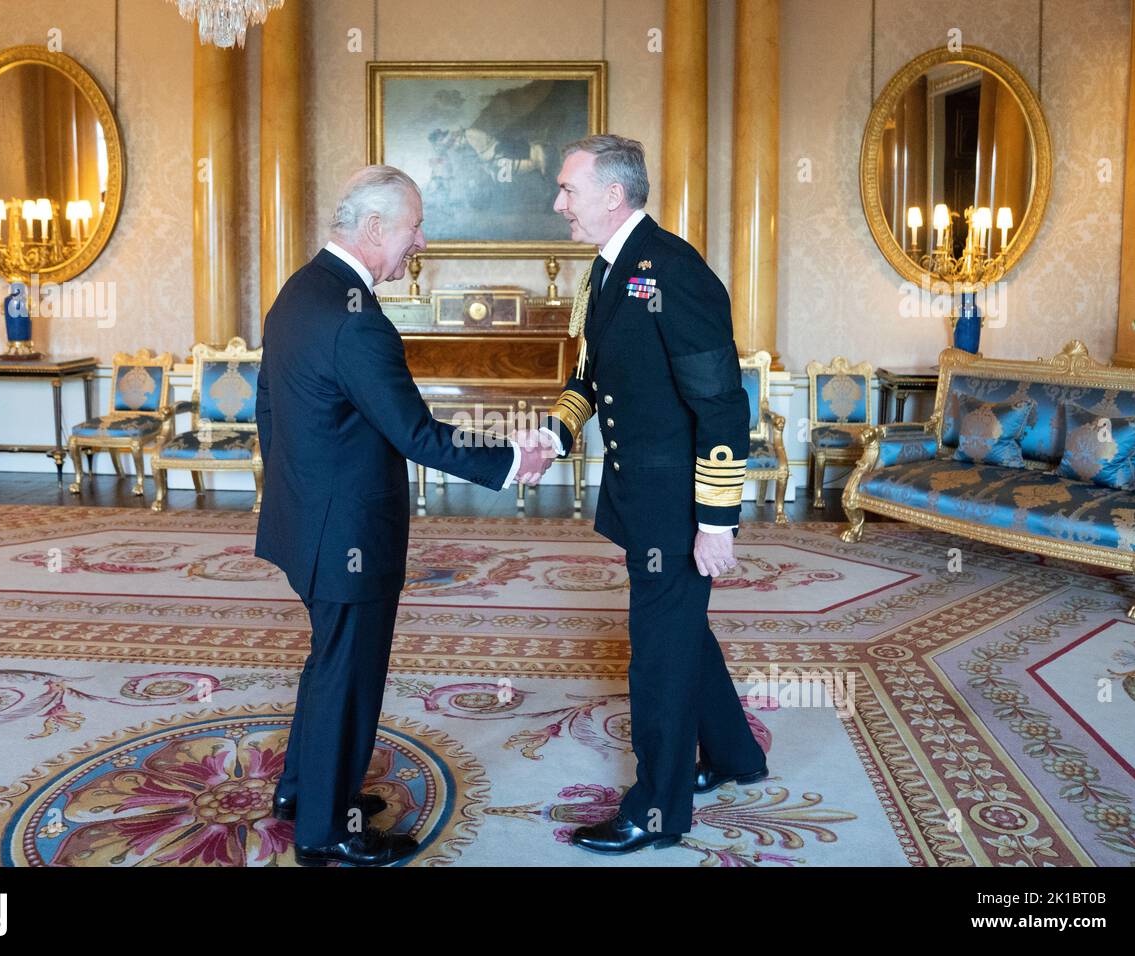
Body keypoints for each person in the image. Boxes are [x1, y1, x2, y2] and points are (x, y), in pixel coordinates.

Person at [254, 165, 555, 866]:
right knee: (348, 676)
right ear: (376, 228)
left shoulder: (299, 293)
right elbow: (416, 433)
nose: (422, 240)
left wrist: (296, 496)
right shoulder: (356, 321)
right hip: (349, 534)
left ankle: (304, 791)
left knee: (329, 662)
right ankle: (327, 835)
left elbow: (269, 412)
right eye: (415, 227)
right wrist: (512, 461)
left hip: (306, 521)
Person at [539, 134, 768, 854]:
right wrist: (555, 434)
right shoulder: (607, 274)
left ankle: (658, 812)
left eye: (568, 190)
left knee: (658, 653)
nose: (559, 204)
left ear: (613, 195)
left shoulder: (673, 270)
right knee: (679, 634)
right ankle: (735, 756)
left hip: (679, 503)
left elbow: (723, 406)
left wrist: (717, 521)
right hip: (640, 493)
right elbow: (590, 378)